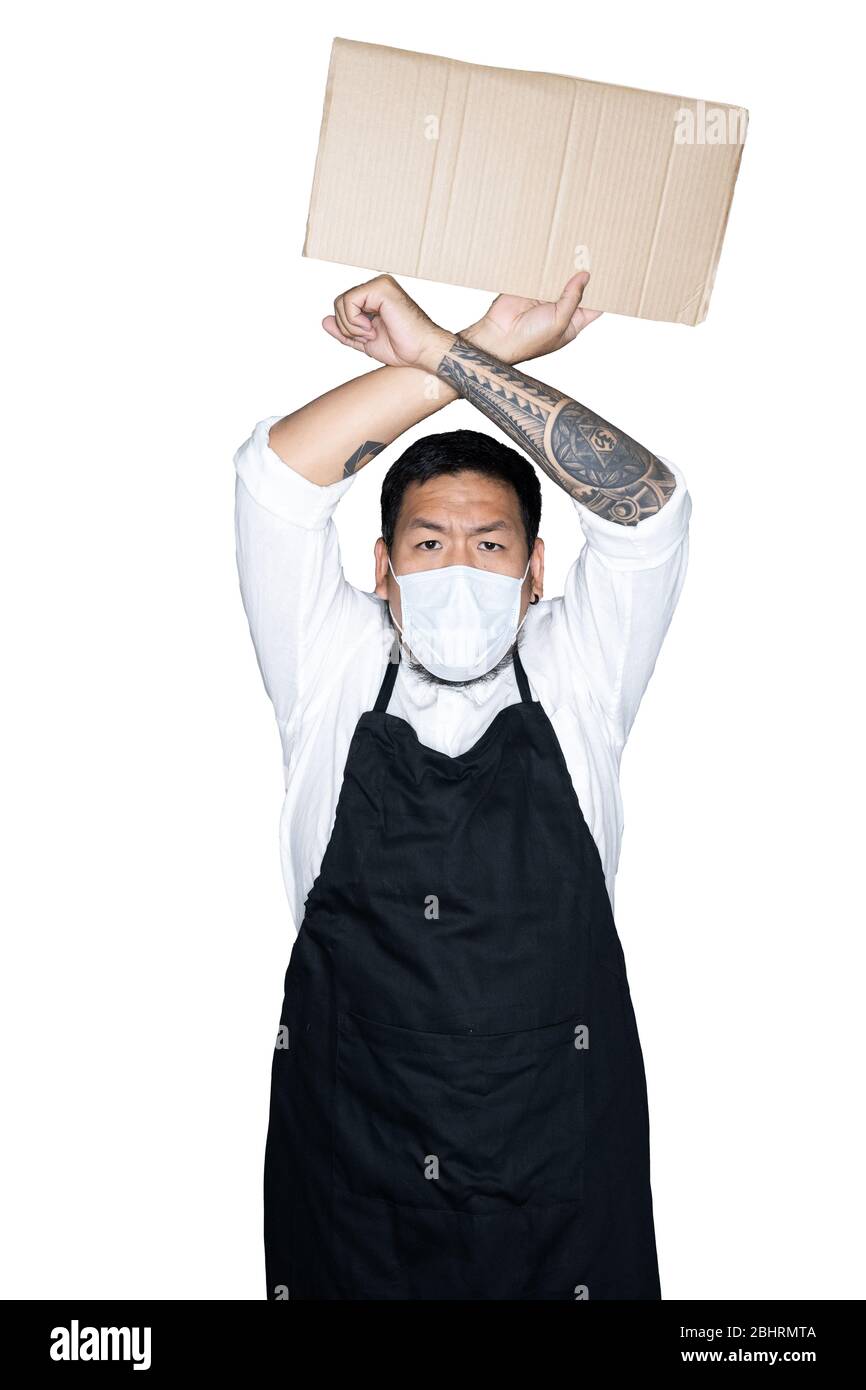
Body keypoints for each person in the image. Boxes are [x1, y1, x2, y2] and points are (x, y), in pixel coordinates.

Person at [233, 271, 692, 1300]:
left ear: (536, 572)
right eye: (428, 545)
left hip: (559, 1166)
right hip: (352, 1161)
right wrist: (467, 349)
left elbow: (648, 506)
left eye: (489, 548)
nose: (457, 569)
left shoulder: (579, 673)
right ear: (382, 565)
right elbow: (273, 478)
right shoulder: (329, 667)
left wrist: (449, 352)